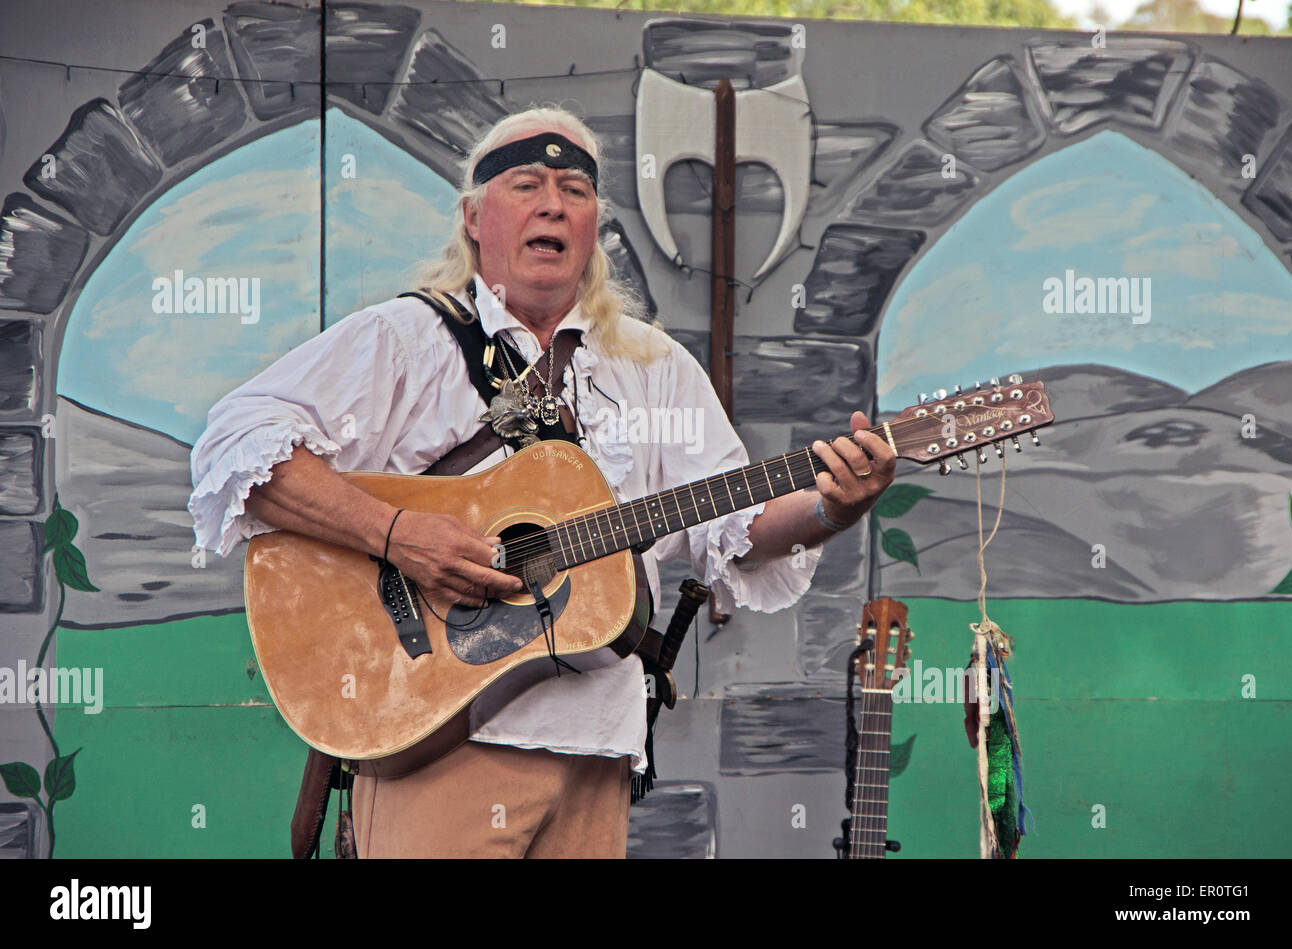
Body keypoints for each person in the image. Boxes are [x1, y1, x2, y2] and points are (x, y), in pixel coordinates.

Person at [188, 105, 896, 858]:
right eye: (526, 183)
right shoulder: (407, 339)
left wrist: (830, 505)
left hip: (599, 747)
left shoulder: (653, 366)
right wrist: (397, 535)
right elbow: (237, 446)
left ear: (594, 228)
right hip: (441, 737)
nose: (553, 203)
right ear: (473, 218)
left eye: (576, 190)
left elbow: (737, 525)